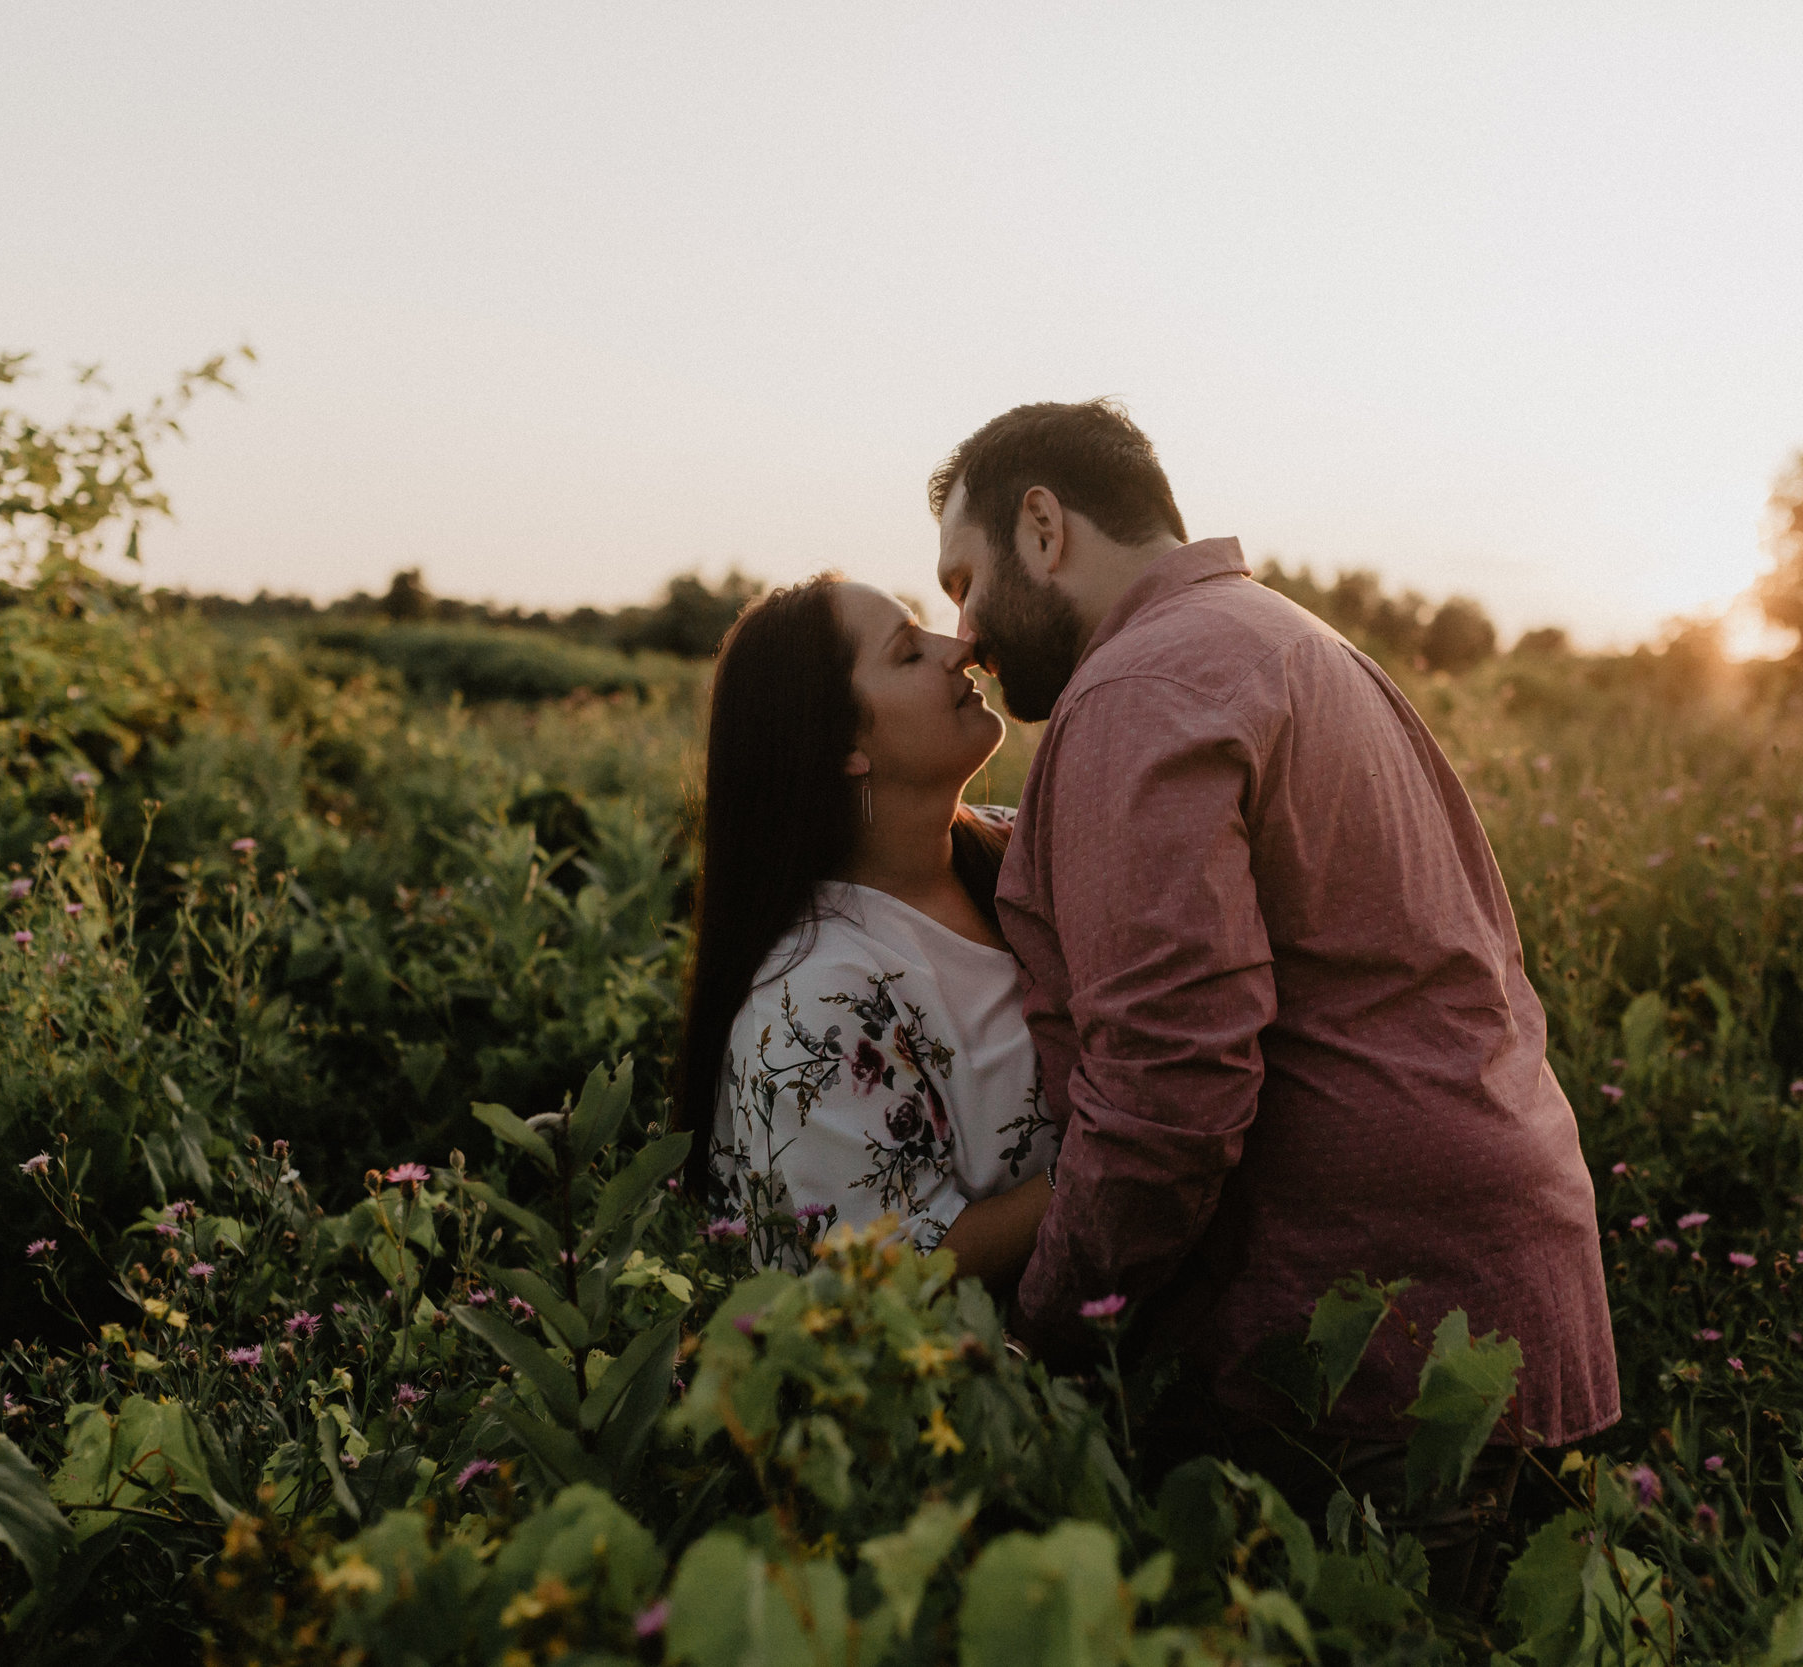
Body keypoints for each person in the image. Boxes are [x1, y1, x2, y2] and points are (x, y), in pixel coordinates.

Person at [928, 400, 1619, 1607]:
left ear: (1041, 524)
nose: (965, 634)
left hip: (1359, 1343)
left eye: (963, 578)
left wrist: (1049, 1328)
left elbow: (1168, 1092)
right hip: (1489, 1302)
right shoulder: (1276, 639)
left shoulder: (1136, 684)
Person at [672, 575, 1057, 1281]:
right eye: (909, 652)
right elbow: (887, 1266)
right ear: (845, 742)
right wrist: (1107, 1172)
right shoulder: (815, 996)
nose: (961, 645)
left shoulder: (1021, 849)